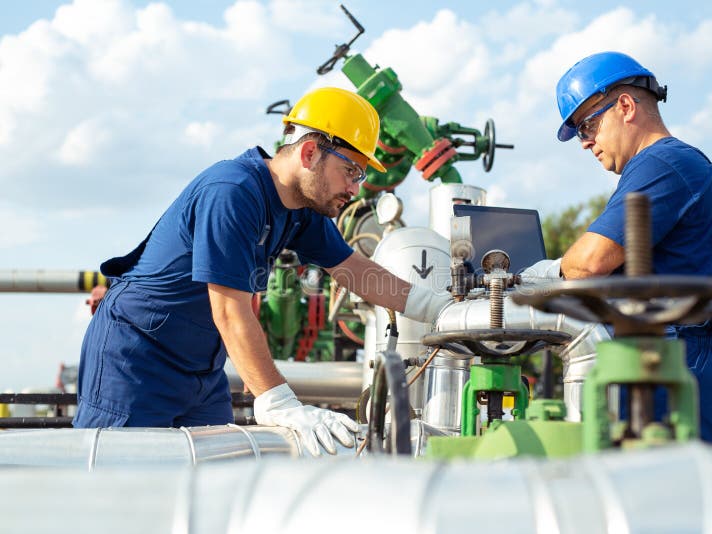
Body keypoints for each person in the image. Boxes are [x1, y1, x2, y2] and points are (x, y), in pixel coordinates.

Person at [73, 87, 451, 456]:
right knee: (118, 489)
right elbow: (229, 309)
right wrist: (279, 402)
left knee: (217, 483)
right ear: (309, 152)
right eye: (350, 171)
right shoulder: (233, 191)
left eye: (360, 177)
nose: (355, 188)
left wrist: (439, 310)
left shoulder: (302, 209)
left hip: (200, 373)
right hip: (136, 361)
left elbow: (354, 269)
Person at [522, 51, 712, 447]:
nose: (586, 143)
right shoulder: (664, 165)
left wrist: (536, 276)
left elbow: (588, 264)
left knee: (660, 500)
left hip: (670, 366)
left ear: (624, 105)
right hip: (663, 359)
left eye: (588, 126)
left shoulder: (664, 163)